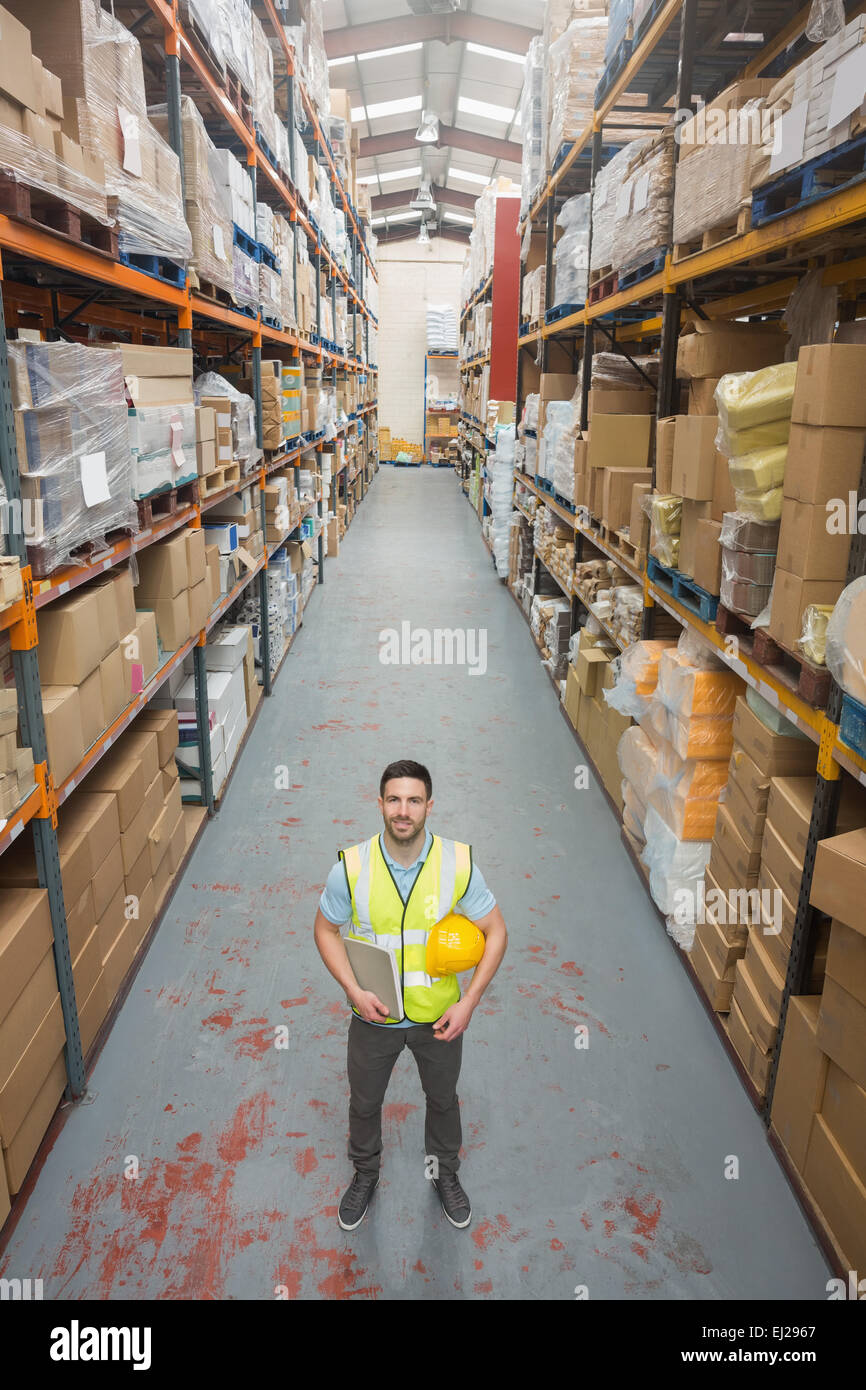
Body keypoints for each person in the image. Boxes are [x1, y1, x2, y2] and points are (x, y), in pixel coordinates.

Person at [314, 759, 507, 1232]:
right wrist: (353, 990)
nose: (404, 811)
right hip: (373, 1015)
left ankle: (444, 1174)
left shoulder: (457, 863)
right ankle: (365, 1174)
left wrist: (469, 1002)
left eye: (414, 800)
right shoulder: (353, 866)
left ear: (429, 806)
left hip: (438, 1016)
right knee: (364, 1102)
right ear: (380, 804)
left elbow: (496, 931)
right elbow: (324, 929)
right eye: (395, 800)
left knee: (442, 1100)